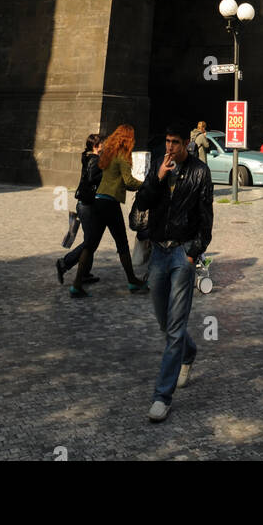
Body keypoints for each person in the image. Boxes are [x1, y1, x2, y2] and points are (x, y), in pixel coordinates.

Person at [135, 122, 213, 422]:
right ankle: (188, 352)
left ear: (186, 145)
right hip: (158, 251)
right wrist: (156, 179)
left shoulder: (199, 172)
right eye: (167, 142)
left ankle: (161, 396)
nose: (169, 148)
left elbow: (206, 218)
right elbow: (142, 202)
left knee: (175, 327)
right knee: (163, 320)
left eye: (175, 143)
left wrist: (194, 253)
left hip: (182, 253)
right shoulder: (159, 166)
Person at [69, 125, 148, 297]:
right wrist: (145, 185)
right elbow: (128, 181)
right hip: (110, 203)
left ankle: (76, 284)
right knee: (122, 243)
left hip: (98, 201)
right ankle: (132, 281)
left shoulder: (108, 153)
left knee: (90, 245)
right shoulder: (122, 155)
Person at [56, 133, 103, 285]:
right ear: (96, 146)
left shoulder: (88, 157)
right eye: (102, 143)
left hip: (86, 203)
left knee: (92, 239)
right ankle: (65, 263)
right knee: (90, 241)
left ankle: (84, 272)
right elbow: (92, 178)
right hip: (87, 204)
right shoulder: (95, 160)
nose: (105, 145)